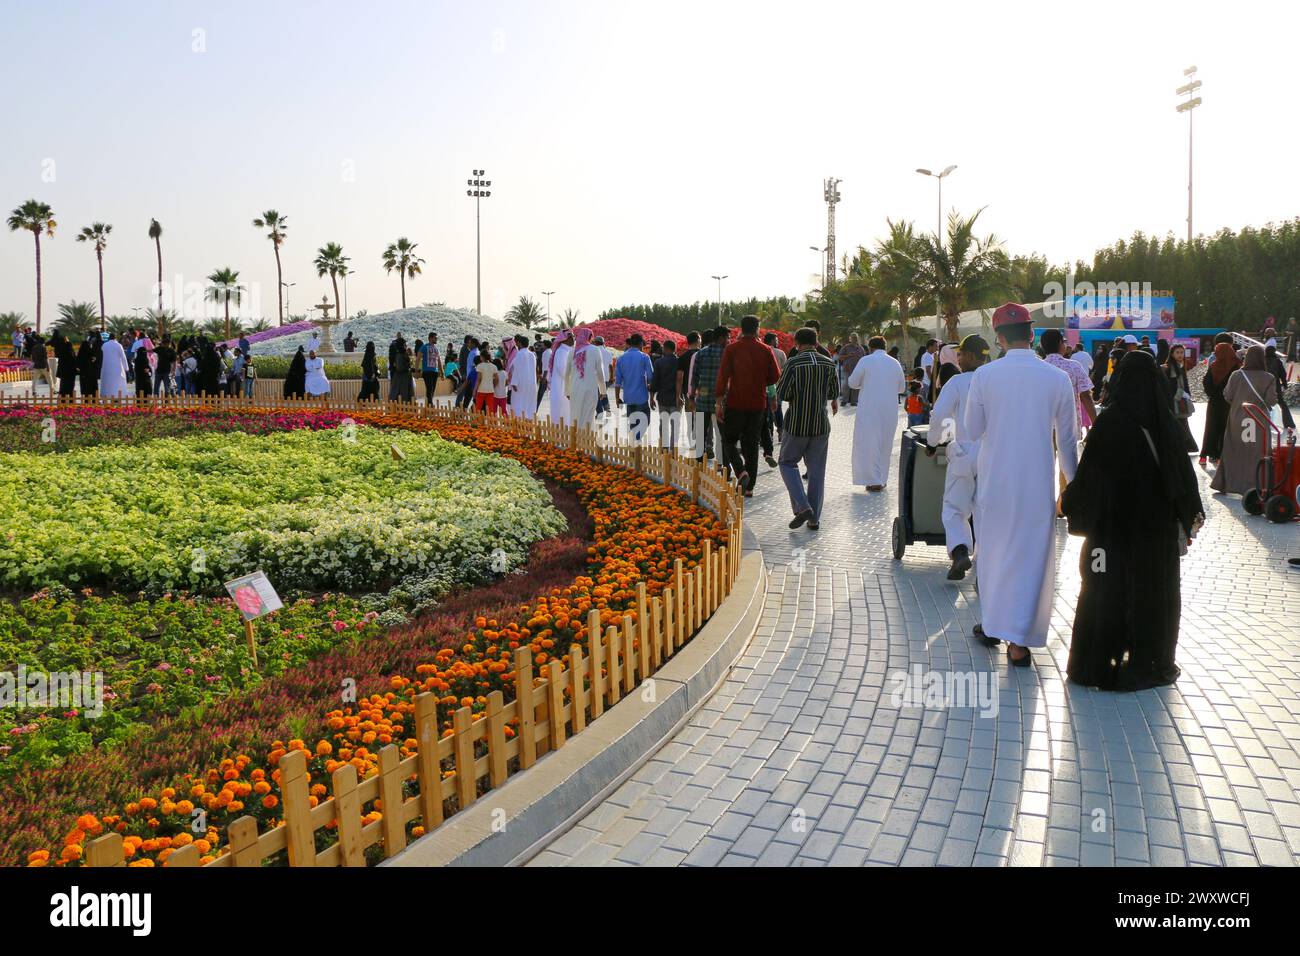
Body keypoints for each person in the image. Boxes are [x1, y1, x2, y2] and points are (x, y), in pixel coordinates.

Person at [1061, 350, 1205, 690]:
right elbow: (1183, 477)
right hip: (1154, 534)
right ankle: (1148, 660)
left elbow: (1090, 477)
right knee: (1154, 594)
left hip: (1111, 533)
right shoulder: (1165, 422)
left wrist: (1072, 505)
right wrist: (1187, 517)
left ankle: (1095, 662)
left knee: (1102, 591)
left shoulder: (1109, 422)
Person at [964, 303, 1079, 668]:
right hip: (1036, 484)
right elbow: (1069, 440)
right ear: (1031, 334)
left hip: (996, 482)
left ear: (998, 337)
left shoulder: (985, 376)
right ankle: (1020, 643)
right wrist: (1072, 486)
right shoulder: (1057, 379)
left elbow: (971, 431)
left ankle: (994, 626)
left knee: (995, 555)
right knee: (1032, 559)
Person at [926, 334, 990, 580]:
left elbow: (939, 416)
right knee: (984, 509)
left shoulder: (956, 382)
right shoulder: (994, 380)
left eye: (961, 354)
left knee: (954, 507)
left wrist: (932, 443)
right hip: (991, 454)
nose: (958, 358)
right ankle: (984, 563)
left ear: (971, 356)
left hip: (963, 452)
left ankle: (960, 551)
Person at [775, 326, 839, 530]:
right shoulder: (828, 363)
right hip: (820, 424)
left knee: (787, 463)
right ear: (817, 342)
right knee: (817, 472)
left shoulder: (793, 363)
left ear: (797, 343)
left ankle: (803, 507)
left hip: (797, 424)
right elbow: (833, 393)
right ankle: (813, 519)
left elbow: (783, 393)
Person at [716, 315, 781, 494]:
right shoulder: (766, 350)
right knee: (751, 444)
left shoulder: (732, 349)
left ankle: (740, 470)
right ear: (757, 329)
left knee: (729, 440)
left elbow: (723, 377)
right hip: (757, 403)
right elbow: (775, 376)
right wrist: (763, 382)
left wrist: (719, 402)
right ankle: (749, 488)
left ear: (741, 328)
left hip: (736, 402)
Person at [1210, 345, 1278, 495]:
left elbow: (1227, 396)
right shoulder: (1269, 378)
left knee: (1233, 450)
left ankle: (1228, 484)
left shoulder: (1236, 375)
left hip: (1237, 418)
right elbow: (1271, 401)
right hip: (1258, 420)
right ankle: (1256, 486)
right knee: (1257, 453)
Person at [846, 336, 907, 492]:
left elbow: (852, 382)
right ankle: (882, 479)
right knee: (885, 444)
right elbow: (901, 388)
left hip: (869, 408)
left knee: (868, 443)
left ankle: (872, 480)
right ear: (885, 347)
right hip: (889, 409)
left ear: (871, 347)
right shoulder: (895, 363)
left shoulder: (866, 361)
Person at [688, 327, 728, 460]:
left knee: (701, 432)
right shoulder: (726, 353)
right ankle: (723, 464)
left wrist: (692, 397)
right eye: (727, 337)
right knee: (723, 434)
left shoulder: (701, 353)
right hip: (720, 400)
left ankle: (699, 462)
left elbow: (694, 378)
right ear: (721, 338)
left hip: (702, 399)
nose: (729, 340)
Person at [1200, 336, 1239, 465]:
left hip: (1214, 403)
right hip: (1229, 404)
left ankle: (1205, 455)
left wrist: (1212, 395)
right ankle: (1221, 455)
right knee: (1226, 429)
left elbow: (1206, 383)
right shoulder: (1237, 366)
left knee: (1211, 428)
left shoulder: (1214, 366)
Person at [566, 328, 608, 430]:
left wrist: (567, 391)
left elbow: (567, 374)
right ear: (589, 337)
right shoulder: (595, 350)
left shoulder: (572, 352)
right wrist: (603, 391)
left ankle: (576, 439)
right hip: (590, 388)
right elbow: (599, 372)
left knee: (575, 414)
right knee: (588, 415)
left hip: (575, 388)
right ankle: (586, 440)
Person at [1162, 344, 1198, 452]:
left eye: (1182, 352)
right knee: (1180, 423)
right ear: (1172, 354)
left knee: (1182, 422)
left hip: (1180, 399)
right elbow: (1170, 385)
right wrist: (1180, 394)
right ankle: (1186, 446)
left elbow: (1184, 383)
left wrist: (1187, 395)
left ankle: (1186, 446)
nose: (1180, 355)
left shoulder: (1180, 366)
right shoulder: (1169, 367)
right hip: (1173, 400)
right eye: (1177, 352)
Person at [651, 339, 681, 449]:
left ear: (666, 348)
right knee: (675, 425)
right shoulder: (679, 361)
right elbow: (681, 379)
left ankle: (664, 447)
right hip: (676, 399)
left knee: (663, 423)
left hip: (662, 398)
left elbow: (655, 381)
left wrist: (651, 397)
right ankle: (673, 450)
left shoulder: (659, 362)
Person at [507, 334, 538, 419]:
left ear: (520, 343)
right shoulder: (532, 355)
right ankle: (529, 422)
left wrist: (514, 383)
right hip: (531, 383)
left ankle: (520, 422)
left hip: (520, 383)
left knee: (518, 402)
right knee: (529, 403)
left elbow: (517, 369)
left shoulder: (520, 354)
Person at [547, 331, 573, 425]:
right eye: (571, 337)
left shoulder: (567, 350)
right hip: (562, 385)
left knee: (566, 410)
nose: (573, 339)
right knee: (562, 410)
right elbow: (562, 369)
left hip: (565, 384)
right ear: (565, 339)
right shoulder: (562, 351)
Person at [837, 333, 866, 405]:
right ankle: (844, 400)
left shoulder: (860, 348)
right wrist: (848, 355)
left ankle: (854, 401)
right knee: (846, 384)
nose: (855, 339)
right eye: (853, 337)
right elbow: (840, 357)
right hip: (848, 369)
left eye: (856, 337)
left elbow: (864, 357)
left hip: (857, 369)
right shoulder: (846, 347)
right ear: (850, 339)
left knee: (856, 384)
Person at [99, 333, 130, 398]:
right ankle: (116, 396)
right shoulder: (118, 345)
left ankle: (106, 396)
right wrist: (126, 368)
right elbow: (123, 357)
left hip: (106, 367)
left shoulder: (104, 345)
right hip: (117, 368)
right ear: (115, 338)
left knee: (107, 382)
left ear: (109, 338)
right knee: (117, 383)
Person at [52, 330, 78, 398]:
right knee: (70, 386)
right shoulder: (70, 350)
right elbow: (74, 360)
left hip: (63, 371)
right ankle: (70, 399)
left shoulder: (61, 350)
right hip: (70, 372)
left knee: (63, 385)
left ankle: (62, 399)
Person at [420, 333, 442, 404]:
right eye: (434, 338)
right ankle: (430, 404)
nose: (436, 339)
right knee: (429, 388)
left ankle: (429, 403)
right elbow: (418, 358)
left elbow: (439, 361)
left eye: (436, 338)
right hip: (427, 371)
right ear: (430, 338)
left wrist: (442, 372)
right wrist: (417, 370)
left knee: (432, 389)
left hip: (435, 371)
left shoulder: (436, 349)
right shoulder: (424, 347)